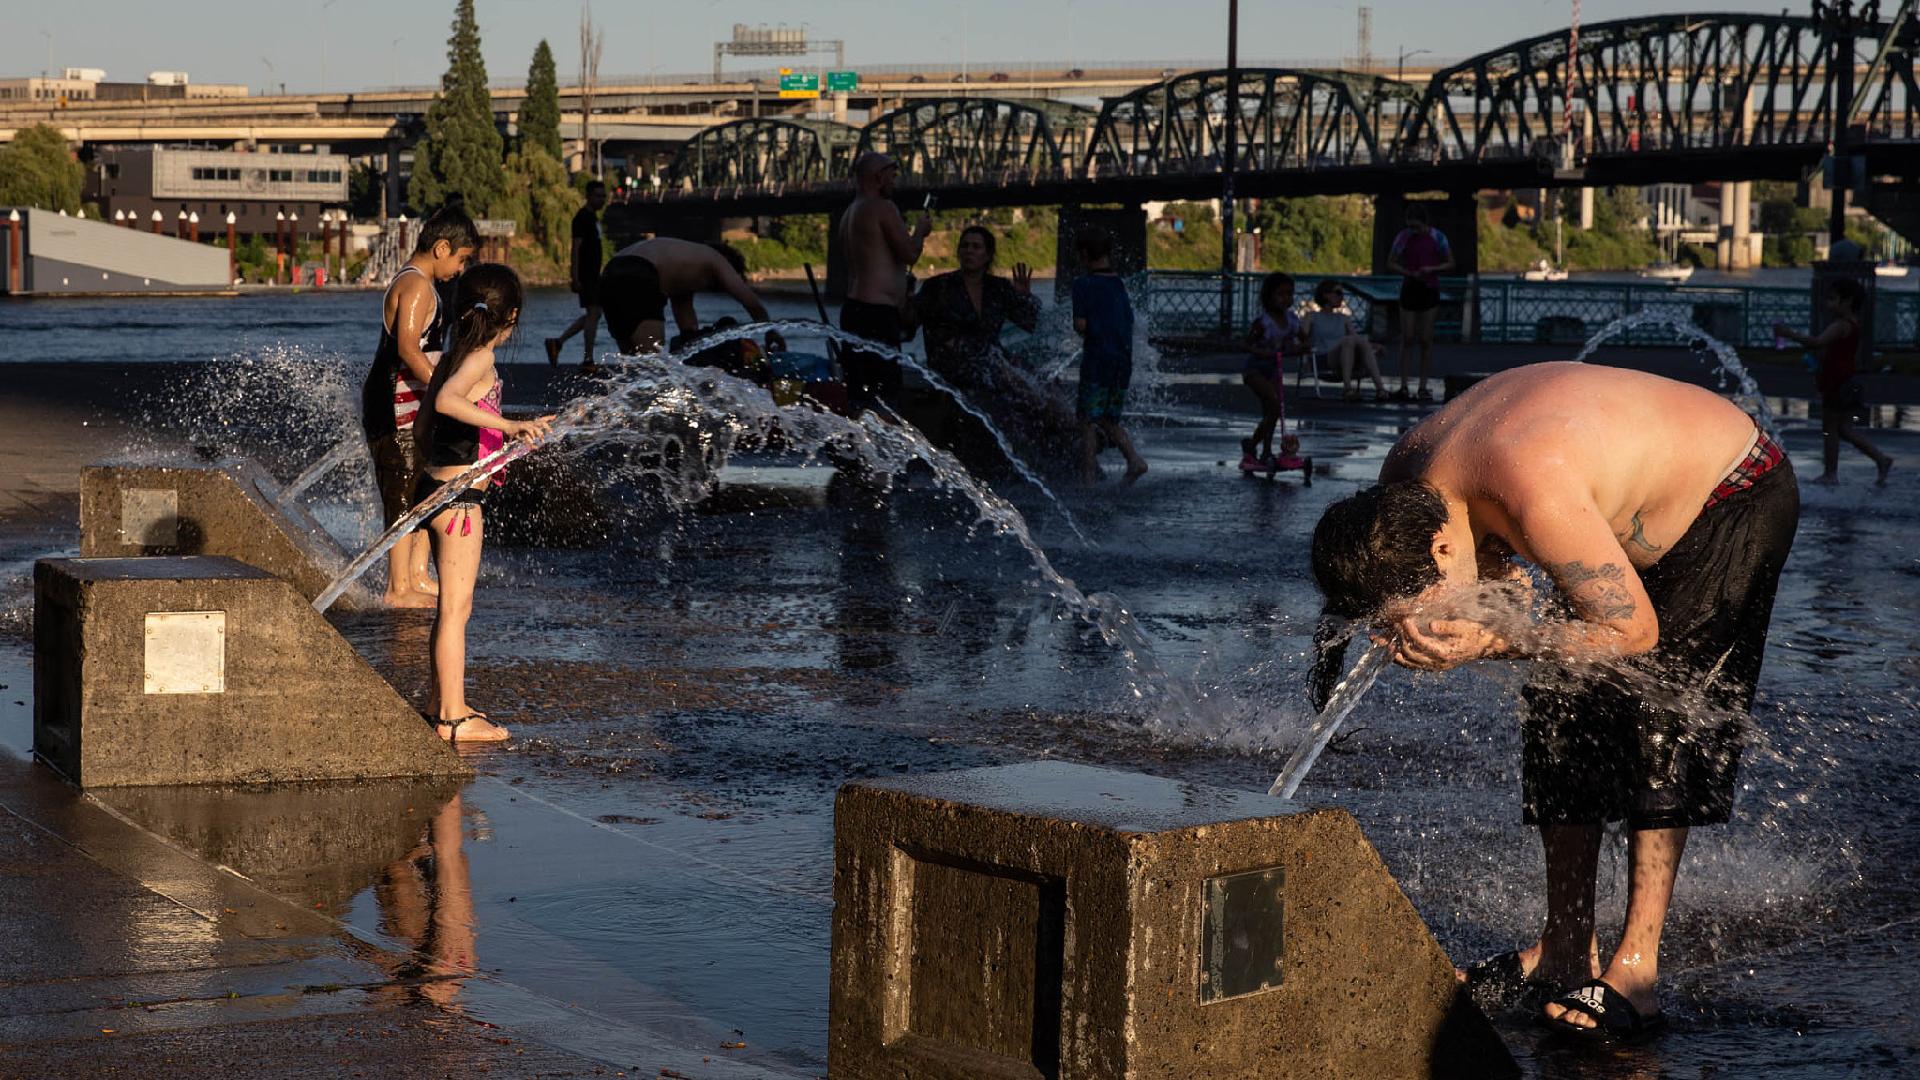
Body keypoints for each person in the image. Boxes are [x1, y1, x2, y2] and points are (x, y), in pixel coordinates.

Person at [1309, 363, 1799, 1044]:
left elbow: (1632, 632)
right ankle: (1565, 948)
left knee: (1662, 719)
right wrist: (1490, 622)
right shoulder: (1406, 489)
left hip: (1729, 493)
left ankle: (1636, 971)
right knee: (1559, 709)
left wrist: (1487, 642)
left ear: (1443, 548)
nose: (1409, 633)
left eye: (1410, 616)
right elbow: (1509, 587)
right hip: (1594, 506)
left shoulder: (1534, 493)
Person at [410, 264, 555, 742]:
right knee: (455, 609)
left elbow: (426, 424)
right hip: (460, 504)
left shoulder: (453, 355)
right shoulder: (478, 362)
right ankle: (453, 718)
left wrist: (514, 430)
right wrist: (511, 427)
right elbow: (450, 402)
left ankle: (440, 703)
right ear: (510, 317)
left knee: (449, 609)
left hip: (437, 489)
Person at [360, 205, 477, 608]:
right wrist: (445, 391)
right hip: (392, 406)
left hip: (411, 405)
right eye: (461, 259)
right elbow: (409, 350)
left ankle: (416, 575)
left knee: (420, 488)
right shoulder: (416, 287)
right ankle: (397, 587)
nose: (461, 270)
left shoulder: (424, 285)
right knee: (401, 492)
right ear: (442, 247)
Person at [1773, 278, 1892, 486]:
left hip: (1839, 383)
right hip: (1847, 380)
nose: (1828, 304)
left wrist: (1788, 334)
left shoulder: (1841, 325)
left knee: (1830, 429)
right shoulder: (1853, 324)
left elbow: (1817, 342)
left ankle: (1830, 473)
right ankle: (1881, 459)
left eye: (1832, 299)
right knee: (1844, 429)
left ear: (1847, 302)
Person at [839, 152, 931, 413]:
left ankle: (859, 450)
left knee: (859, 394)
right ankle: (885, 450)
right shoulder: (882, 207)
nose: (895, 181)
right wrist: (920, 232)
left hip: (853, 311)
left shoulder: (849, 213)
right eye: (892, 175)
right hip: (877, 315)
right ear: (878, 177)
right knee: (886, 395)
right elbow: (909, 253)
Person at [598, 236, 784, 357]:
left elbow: (687, 325)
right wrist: (770, 332)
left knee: (632, 359)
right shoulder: (716, 259)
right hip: (639, 271)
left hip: (610, 271)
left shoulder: (687, 266)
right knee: (651, 363)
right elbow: (751, 302)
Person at [1069, 228, 1148, 486]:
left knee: (1088, 419)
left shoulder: (1082, 284)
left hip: (1097, 360)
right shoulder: (1118, 283)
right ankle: (1134, 459)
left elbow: (1081, 325)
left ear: (1083, 255)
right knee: (1107, 417)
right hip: (1122, 361)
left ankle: (1088, 476)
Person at [1386, 204, 1454, 401]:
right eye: (1411, 227)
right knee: (1407, 338)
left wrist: (1432, 268)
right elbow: (1391, 261)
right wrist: (1406, 272)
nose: (1413, 231)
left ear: (1425, 224)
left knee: (1425, 340)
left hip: (1429, 287)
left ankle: (1423, 385)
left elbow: (1451, 262)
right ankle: (1404, 385)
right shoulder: (1403, 237)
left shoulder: (1437, 237)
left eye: (1416, 227)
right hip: (1410, 286)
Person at [1240, 272, 1303, 472]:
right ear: (1269, 296)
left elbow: (1304, 340)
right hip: (1255, 369)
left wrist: (1296, 348)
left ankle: (1265, 450)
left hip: (1275, 369)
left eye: (1289, 294)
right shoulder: (1263, 322)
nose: (1285, 298)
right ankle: (1252, 444)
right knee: (1274, 406)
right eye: (1280, 294)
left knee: (1270, 412)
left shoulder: (1292, 320)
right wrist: (1265, 352)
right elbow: (1246, 344)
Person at [544, 179, 609, 371]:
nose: (601, 199)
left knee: (593, 315)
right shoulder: (581, 218)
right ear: (588, 196)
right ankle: (588, 358)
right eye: (598, 196)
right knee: (594, 313)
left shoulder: (594, 219)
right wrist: (575, 276)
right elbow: (576, 248)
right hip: (586, 274)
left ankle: (558, 342)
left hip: (594, 274)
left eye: (603, 196)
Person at [1307, 279, 1388, 401]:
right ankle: (1347, 388)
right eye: (1338, 293)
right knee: (1348, 341)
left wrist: (1374, 346)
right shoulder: (1312, 317)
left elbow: (1357, 340)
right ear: (1326, 294)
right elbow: (1301, 338)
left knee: (1359, 341)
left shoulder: (1343, 318)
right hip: (1321, 358)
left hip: (1343, 358)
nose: (1342, 297)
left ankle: (1380, 389)